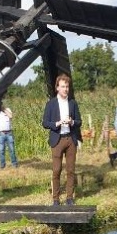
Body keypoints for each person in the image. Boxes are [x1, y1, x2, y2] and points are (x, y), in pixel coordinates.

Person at [41, 74, 82, 206]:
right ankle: (56, 199)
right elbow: (45, 123)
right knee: (57, 170)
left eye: (67, 87)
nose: (66, 89)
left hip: (70, 139)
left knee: (70, 170)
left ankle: (69, 198)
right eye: (63, 86)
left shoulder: (72, 103)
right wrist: (57, 123)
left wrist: (72, 122)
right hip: (57, 140)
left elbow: (79, 121)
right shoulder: (51, 104)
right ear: (57, 88)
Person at [0, 101, 18, 169]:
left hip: (9, 133)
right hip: (0, 133)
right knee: (1, 150)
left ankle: (14, 164)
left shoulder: (7, 109)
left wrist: (3, 109)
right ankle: (2, 165)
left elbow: (11, 116)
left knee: (12, 149)